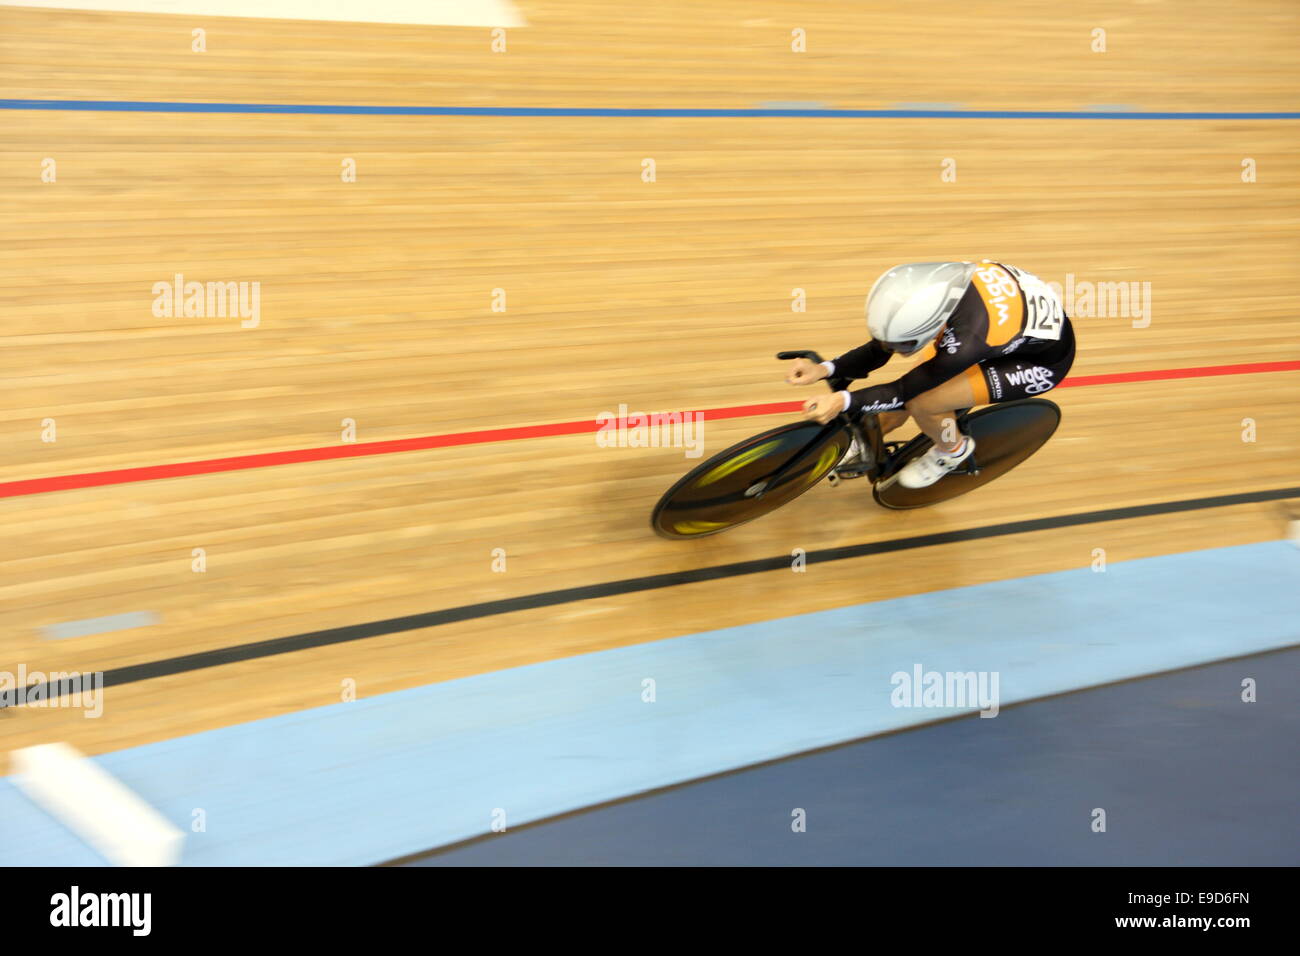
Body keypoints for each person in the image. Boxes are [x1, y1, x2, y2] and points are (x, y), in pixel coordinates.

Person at [784, 260, 1076, 488]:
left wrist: (841, 402)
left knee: (924, 402)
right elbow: (879, 349)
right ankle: (870, 439)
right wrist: (825, 369)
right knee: (914, 390)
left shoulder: (966, 343)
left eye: (903, 344)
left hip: (1035, 363)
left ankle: (953, 449)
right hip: (996, 331)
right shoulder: (930, 289)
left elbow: (904, 391)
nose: (895, 349)